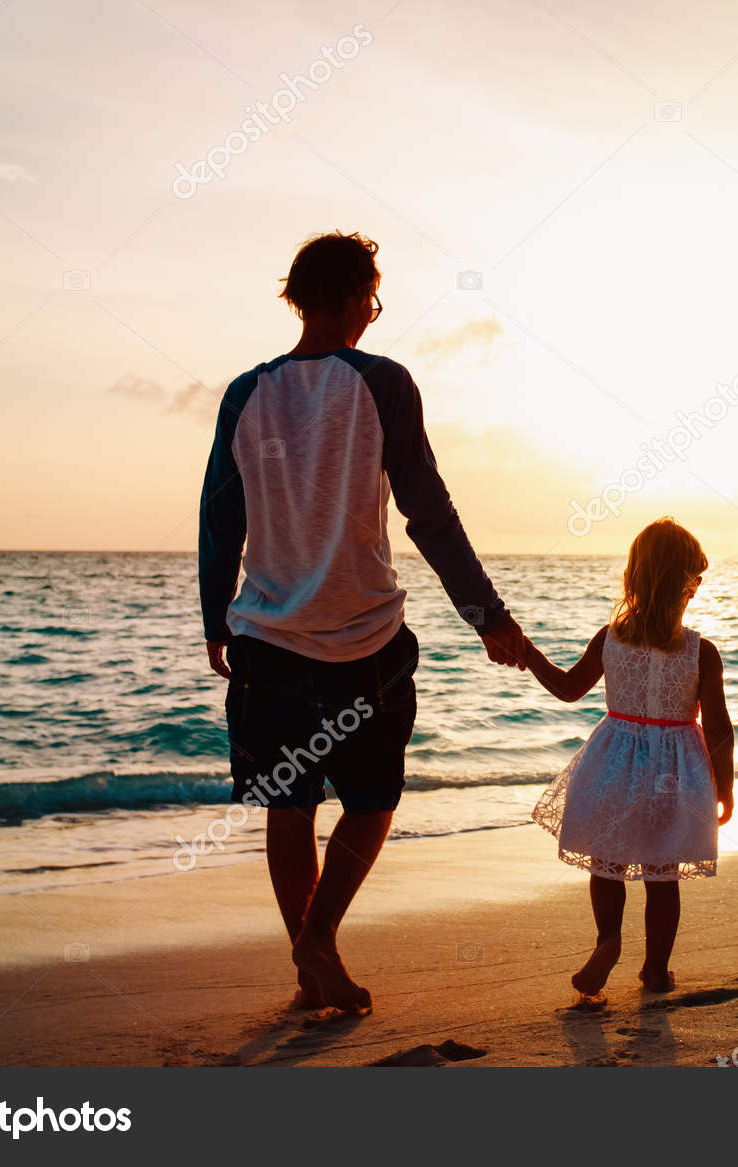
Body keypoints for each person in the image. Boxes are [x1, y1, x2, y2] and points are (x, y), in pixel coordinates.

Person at [198, 230, 525, 1014]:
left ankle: (311, 960)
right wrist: (487, 615)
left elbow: (219, 518)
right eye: (373, 300)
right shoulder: (383, 382)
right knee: (372, 800)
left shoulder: (246, 391)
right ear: (351, 299)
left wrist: (216, 617)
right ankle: (319, 943)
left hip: (266, 636)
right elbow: (429, 515)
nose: (373, 316)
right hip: (366, 638)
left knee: (289, 800)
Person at [523, 518, 734, 1000]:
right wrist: (726, 786)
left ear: (634, 578)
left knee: (607, 864)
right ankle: (656, 971)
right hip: (674, 776)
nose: (698, 589)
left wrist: (529, 653)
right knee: (662, 877)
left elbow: (568, 688)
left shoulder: (610, 638)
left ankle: (608, 941)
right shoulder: (703, 652)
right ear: (684, 586)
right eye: (696, 580)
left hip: (612, 767)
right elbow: (720, 728)